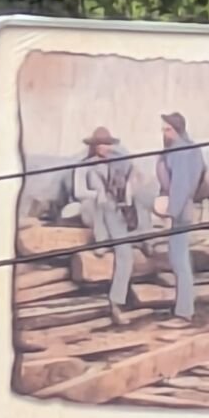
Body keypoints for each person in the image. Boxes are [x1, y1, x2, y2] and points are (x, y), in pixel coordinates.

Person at [73, 126, 147, 327]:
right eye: (100, 144)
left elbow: (132, 180)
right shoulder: (84, 166)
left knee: (125, 254)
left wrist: (127, 191)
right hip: (95, 211)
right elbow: (79, 192)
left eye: (107, 144)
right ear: (93, 146)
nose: (104, 148)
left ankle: (117, 301)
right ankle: (102, 239)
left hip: (114, 211)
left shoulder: (118, 163)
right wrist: (98, 196)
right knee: (121, 247)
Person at [155, 112, 207, 328]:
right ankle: (182, 307)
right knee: (179, 258)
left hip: (180, 212)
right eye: (163, 129)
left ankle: (184, 312)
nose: (164, 133)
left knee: (179, 260)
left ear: (176, 130)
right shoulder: (186, 150)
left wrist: (170, 211)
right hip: (181, 210)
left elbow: (181, 185)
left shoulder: (181, 151)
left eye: (167, 129)